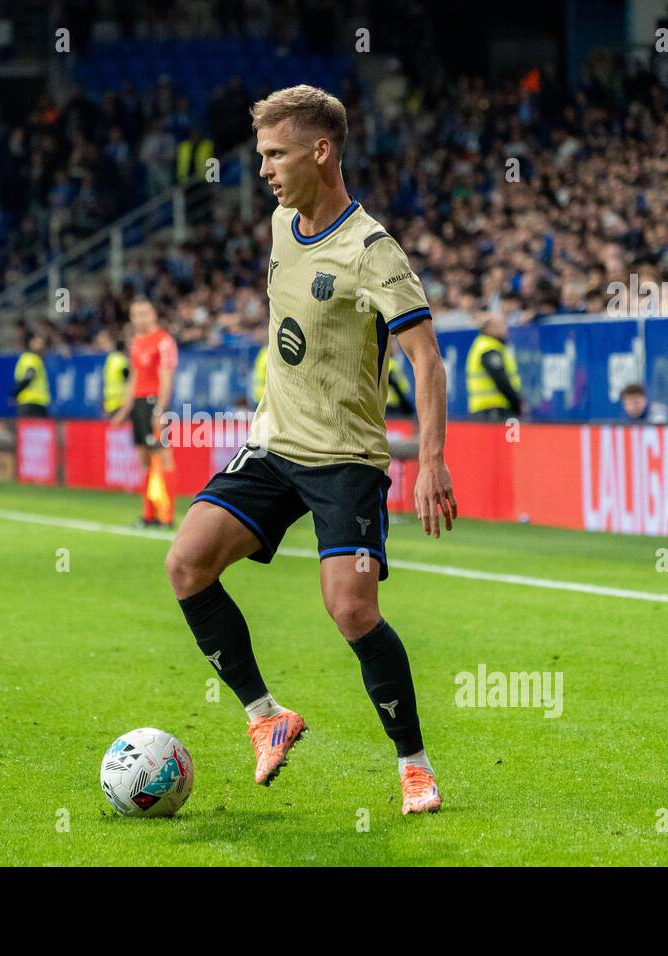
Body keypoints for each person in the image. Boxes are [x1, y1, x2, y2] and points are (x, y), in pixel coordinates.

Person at [164, 85, 457, 816]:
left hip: (345, 459)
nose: (262, 168)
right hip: (273, 443)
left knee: (351, 611)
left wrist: (433, 461)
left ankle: (414, 766)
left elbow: (426, 356)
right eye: (260, 154)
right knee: (186, 564)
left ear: (319, 151)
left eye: (274, 154)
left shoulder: (372, 251)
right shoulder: (278, 226)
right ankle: (266, 716)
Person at [112, 300, 177, 527]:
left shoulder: (163, 342)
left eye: (143, 313)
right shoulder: (136, 343)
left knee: (163, 456)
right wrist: (124, 409)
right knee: (145, 460)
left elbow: (166, 379)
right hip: (139, 404)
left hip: (154, 403)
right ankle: (149, 515)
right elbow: (134, 379)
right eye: (135, 314)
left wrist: (159, 409)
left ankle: (166, 516)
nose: (139, 318)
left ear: (153, 315)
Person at [465, 314, 523, 420]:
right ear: (489, 328)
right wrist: (516, 404)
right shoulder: (488, 348)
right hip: (491, 411)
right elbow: (500, 379)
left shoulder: (486, 345)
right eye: (501, 325)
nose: (505, 328)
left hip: (486, 410)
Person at [12, 332, 50, 417]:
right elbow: (29, 376)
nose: (41, 346)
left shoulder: (37, 359)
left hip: (38, 402)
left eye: (42, 343)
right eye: (38, 343)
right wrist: (15, 393)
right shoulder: (30, 358)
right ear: (31, 343)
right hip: (30, 403)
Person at [100, 331, 129, 418]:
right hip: (119, 398)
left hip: (108, 395)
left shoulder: (110, 358)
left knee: (110, 425)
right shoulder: (122, 360)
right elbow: (128, 377)